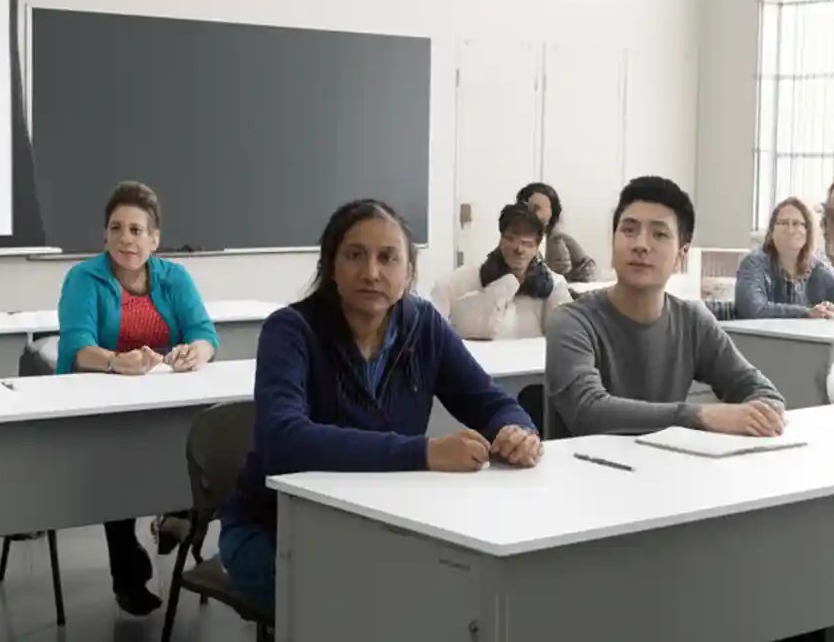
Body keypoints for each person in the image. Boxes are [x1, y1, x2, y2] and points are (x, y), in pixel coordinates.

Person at [219, 199, 542, 612]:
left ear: (408, 272)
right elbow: (282, 440)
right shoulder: (291, 330)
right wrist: (424, 453)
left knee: (444, 597)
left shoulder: (423, 326)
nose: (371, 272)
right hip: (275, 527)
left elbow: (490, 402)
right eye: (355, 255)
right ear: (330, 265)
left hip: (385, 521)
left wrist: (517, 431)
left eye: (388, 258)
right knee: (365, 605)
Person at [55, 180, 219, 615]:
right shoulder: (84, 278)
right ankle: (127, 571)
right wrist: (114, 361)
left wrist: (196, 352)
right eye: (116, 228)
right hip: (103, 407)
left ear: (154, 238)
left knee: (202, 446)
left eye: (136, 229)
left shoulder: (174, 277)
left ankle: (178, 515)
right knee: (117, 467)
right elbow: (76, 347)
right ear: (105, 235)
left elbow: (205, 334)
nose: (126, 239)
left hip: (167, 403)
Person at [545, 176, 786, 438]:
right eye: (629, 230)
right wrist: (697, 416)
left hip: (665, 461)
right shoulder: (572, 321)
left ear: (681, 255)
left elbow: (763, 392)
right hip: (585, 462)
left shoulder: (692, 321)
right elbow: (587, 412)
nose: (640, 245)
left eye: (659, 234)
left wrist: (761, 415)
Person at [430, 203, 572, 340]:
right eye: (511, 239)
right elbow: (442, 330)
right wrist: (505, 285)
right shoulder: (463, 279)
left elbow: (564, 335)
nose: (518, 249)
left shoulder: (553, 285)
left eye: (527, 243)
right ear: (501, 240)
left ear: (537, 248)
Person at [735, 197, 834, 320]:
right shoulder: (754, 263)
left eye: (797, 224)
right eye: (783, 223)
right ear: (772, 230)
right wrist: (806, 312)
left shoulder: (817, 268)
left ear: (808, 232)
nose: (790, 230)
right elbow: (751, 308)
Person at [517, 182, 599, 282]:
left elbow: (589, 267)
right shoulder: (513, 240)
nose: (535, 214)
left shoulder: (559, 239)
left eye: (537, 208)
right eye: (529, 209)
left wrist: (571, 279)